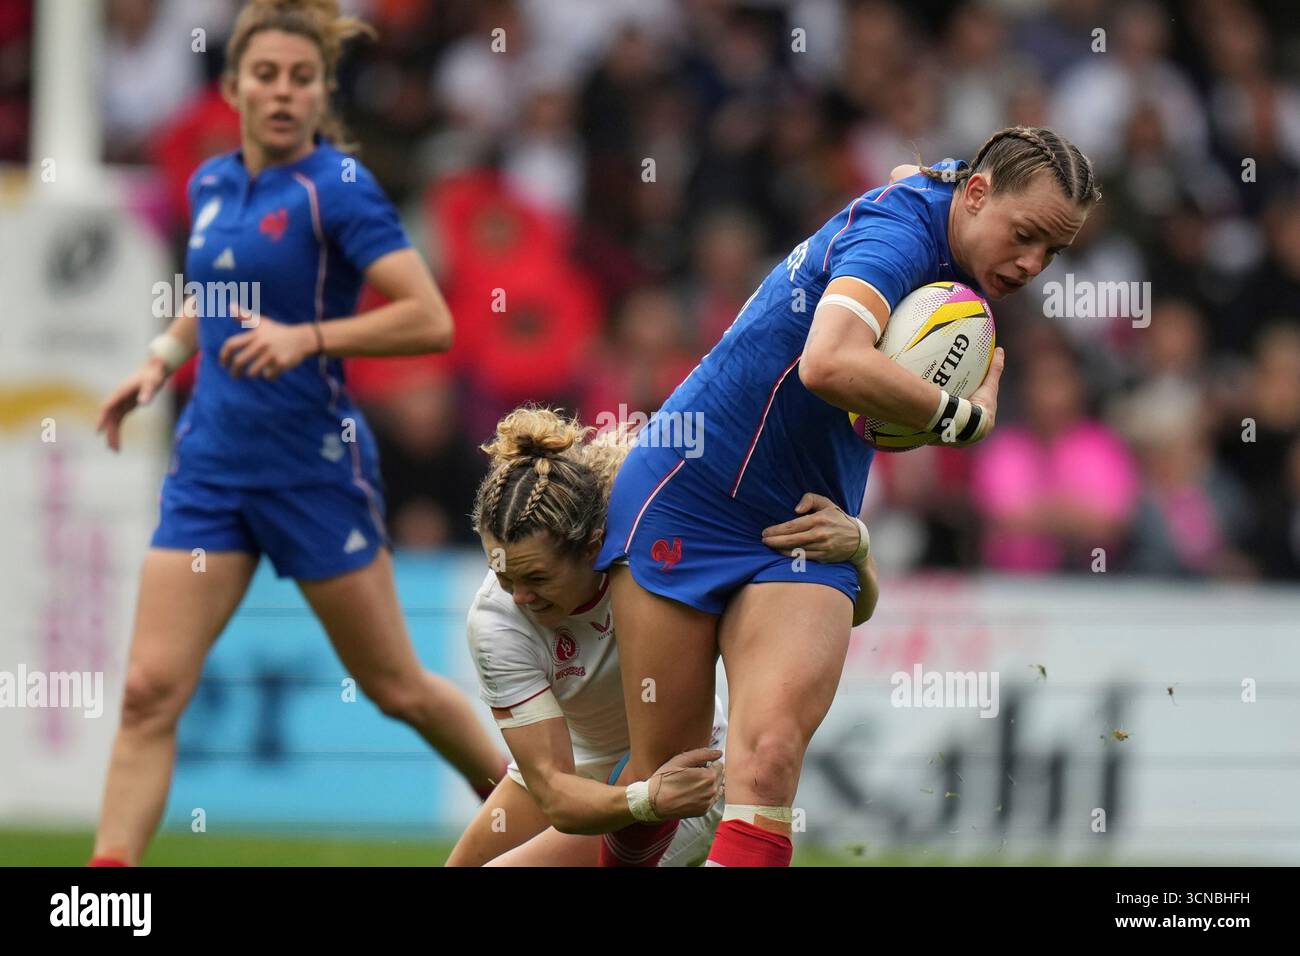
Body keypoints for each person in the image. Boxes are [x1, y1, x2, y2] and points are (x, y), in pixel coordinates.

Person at [592, 126, 1099, 866]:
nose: (1032, 264)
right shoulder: (895, 234)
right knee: (668, 784)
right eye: (1026, 237)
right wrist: (959, 418)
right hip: (685, 495)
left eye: (1053, 253)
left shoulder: (949, 210)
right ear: (979, 195)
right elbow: (827, 364)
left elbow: (920, 174)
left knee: (765, 765)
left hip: (806, 525)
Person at [89, 0, 505, 867]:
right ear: (235, 86)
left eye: (301, 77)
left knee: (396, 688)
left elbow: (429, 319)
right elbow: (218, 291)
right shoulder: (210, 185)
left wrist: (306, 338)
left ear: (321, 93)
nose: (282, 91)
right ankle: (102, 895)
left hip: (313, 468)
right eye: (266, 75)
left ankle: (528, 812)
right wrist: (161, 359)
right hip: (211, 466)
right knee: (147, 691)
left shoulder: (338, 189)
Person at [447, 408, 879, 866]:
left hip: (687, 780)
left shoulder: (656, 554)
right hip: (593, 776)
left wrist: (858, 548)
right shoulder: (495, 619)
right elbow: (556, 793)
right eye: (504, 575)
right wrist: (642, 800)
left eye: (536, 577)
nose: (519, 597)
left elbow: (849, 612)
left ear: (594, 547)